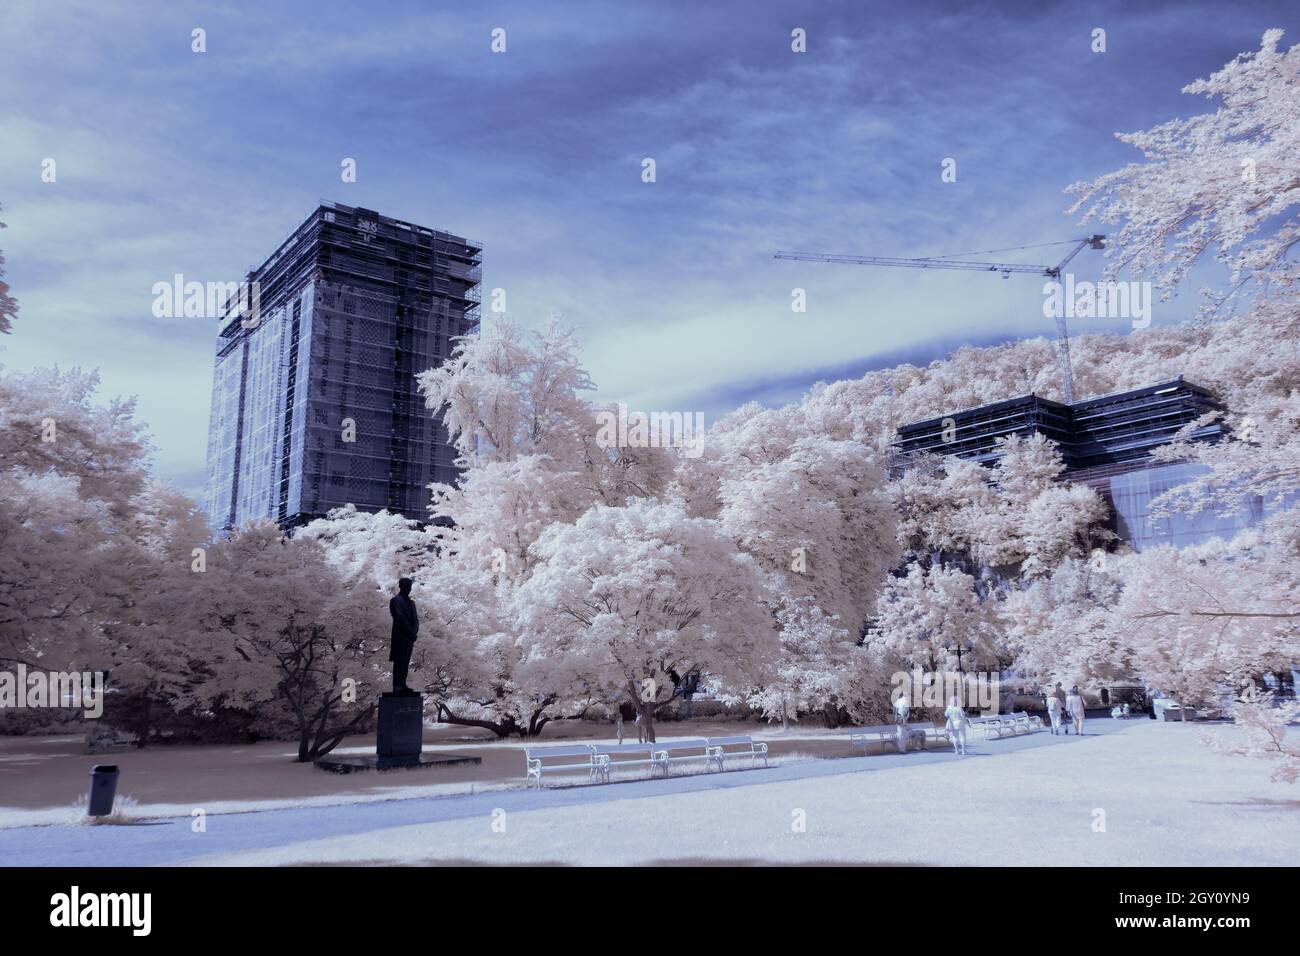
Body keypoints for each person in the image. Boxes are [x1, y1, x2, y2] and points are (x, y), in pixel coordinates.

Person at [388, 576, 419, 694]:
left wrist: (414, 631)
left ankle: (403, 684)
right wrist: (410, 631)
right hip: (400, 636)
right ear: (401, 587)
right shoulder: (395, 601)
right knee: (398, 662)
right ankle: (397, 685)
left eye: (410, 587)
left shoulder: (412, 603)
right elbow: (400, 618)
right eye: (407, 586)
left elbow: (415, 619)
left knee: (405, 662)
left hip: (409, 637)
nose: (409, 589)